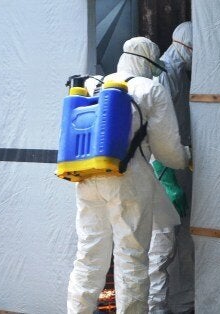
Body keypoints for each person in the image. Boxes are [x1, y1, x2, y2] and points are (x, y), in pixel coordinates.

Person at [67, 37, 188, 314]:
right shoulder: (150, 88)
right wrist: (186, 157)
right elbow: (168, 153)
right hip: (129, 181)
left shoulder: (94, 84)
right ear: (149, 63)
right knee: (131, 258)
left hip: (88, 176)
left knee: (88, 254)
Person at [149, 21, 194, 313]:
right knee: (163, 242)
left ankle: (180, 301)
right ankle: (157, 305)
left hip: (178, 164)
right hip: (164, 168)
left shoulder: (182, 72)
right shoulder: (165, 74)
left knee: (180, 236)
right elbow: (159, 132)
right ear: (186, 46)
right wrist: (168, 175)